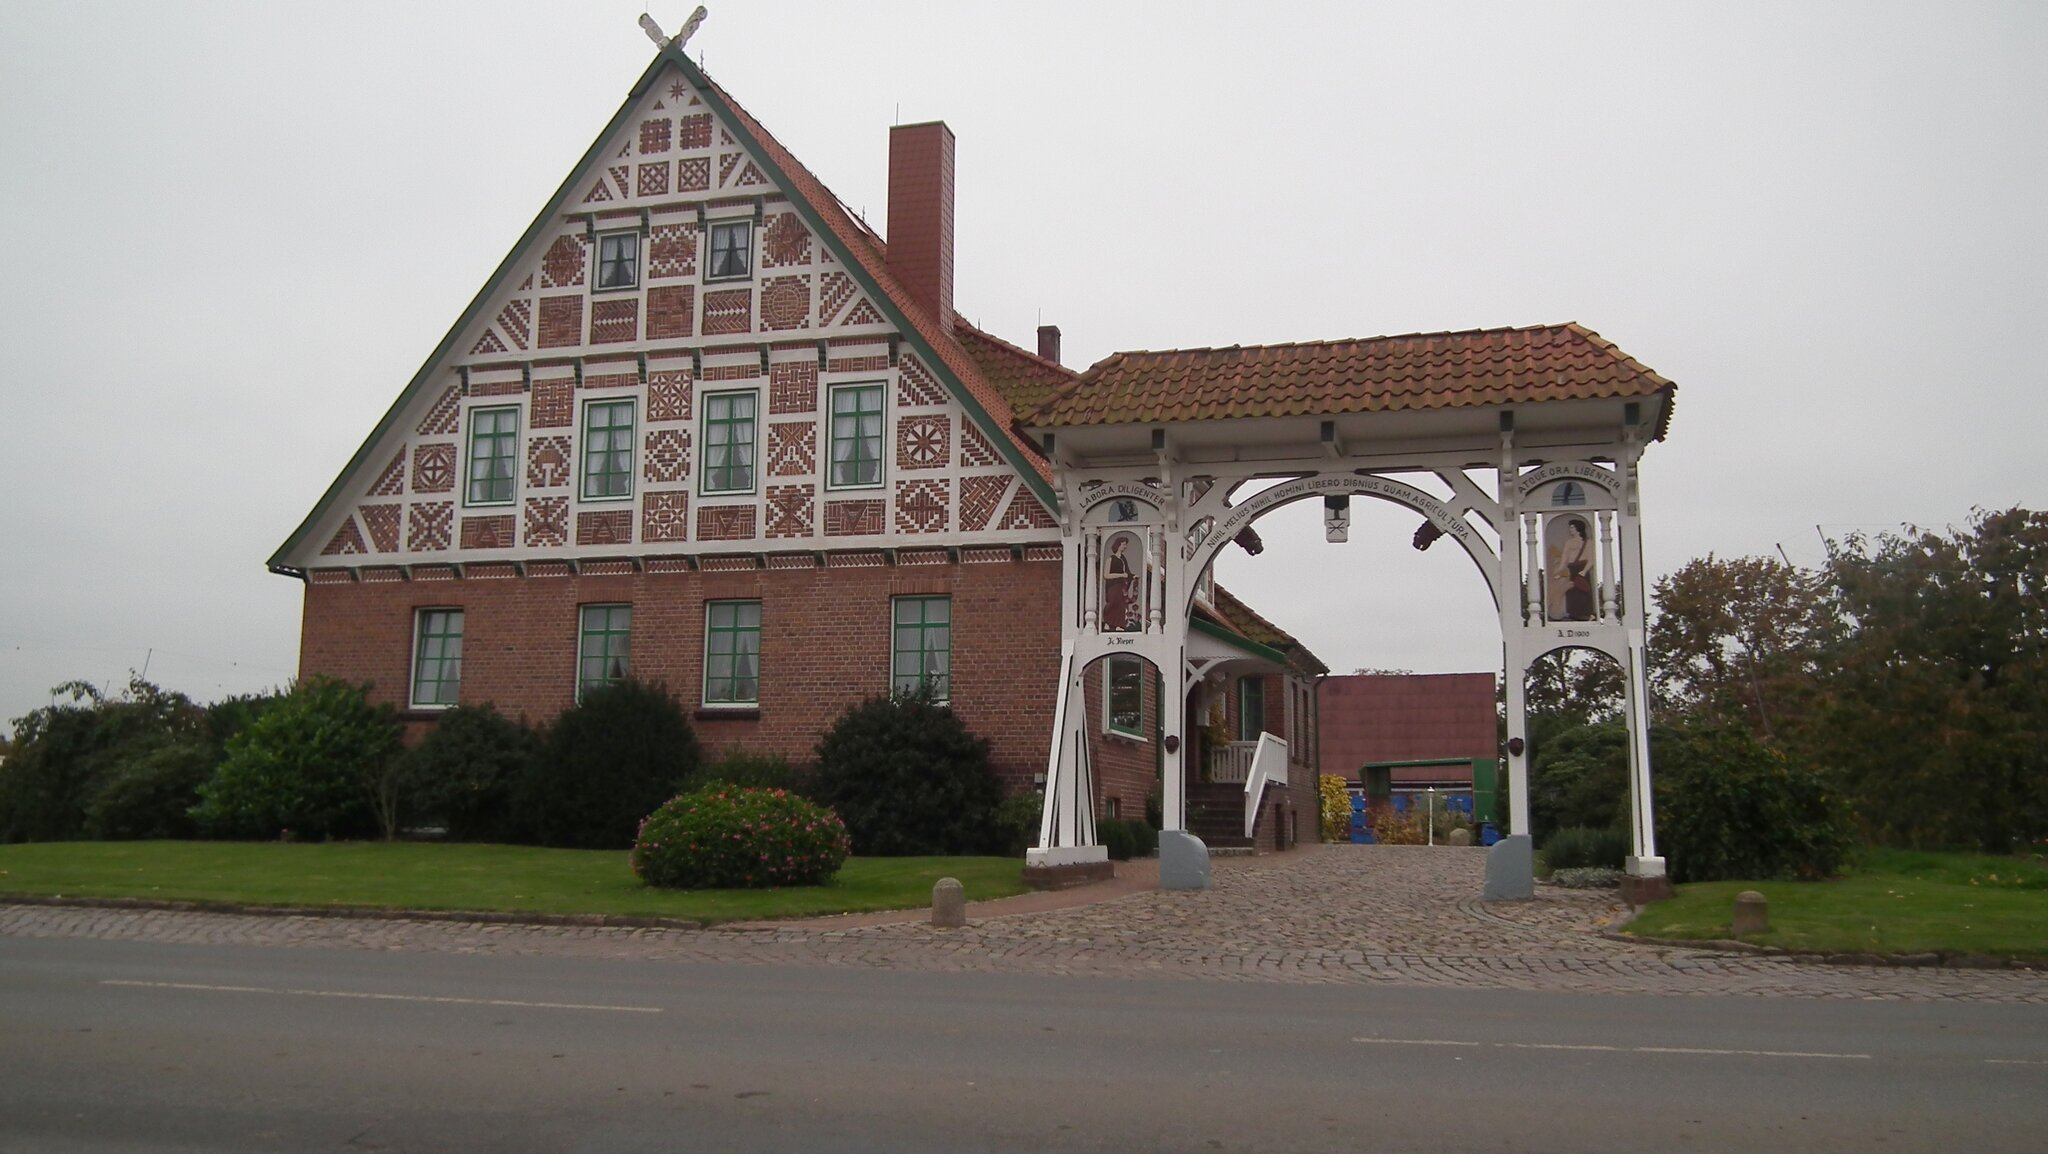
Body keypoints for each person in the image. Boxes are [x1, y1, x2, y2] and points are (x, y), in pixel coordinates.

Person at [1554, 516, 1595, 621]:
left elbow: (1591, 559)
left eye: (1572, 527)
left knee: (1584, 592)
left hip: (1582, 569)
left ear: (1578, 528)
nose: (1570, 530)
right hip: (1572, 570)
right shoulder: (1569, 543)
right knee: (1571, 592)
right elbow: (1564, 560)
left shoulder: (1587, 542)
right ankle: (1573, 614)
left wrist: (1585, 571)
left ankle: (1587, 615)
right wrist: (1559, 572)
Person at [1102, 534, 1141, 631]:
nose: (1125, 546)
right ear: (1118, 545)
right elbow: (1106, 575)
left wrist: (1133, 576)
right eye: (1123, 544)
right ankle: (1107, 623)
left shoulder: (1123, 559)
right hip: (1113, 586)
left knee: (1122, 605)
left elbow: (1127, 572)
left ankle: (1119, 625)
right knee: (1112, 603)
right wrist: (1121, 575)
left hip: (1122, 587)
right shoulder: (1110, 559)